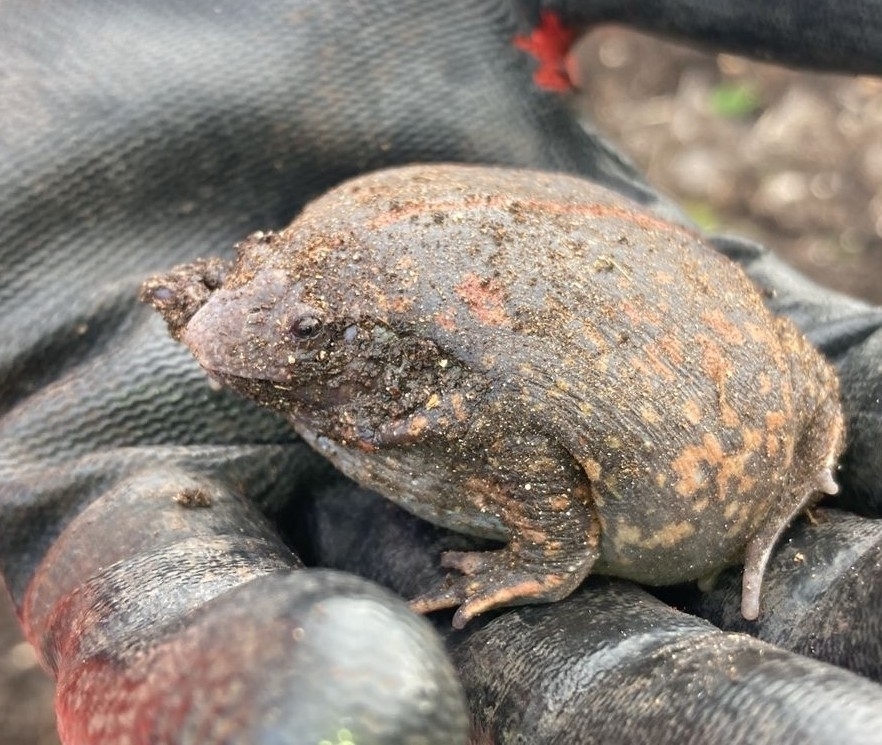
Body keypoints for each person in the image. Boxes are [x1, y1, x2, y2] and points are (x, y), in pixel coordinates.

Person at [2, 1, 881, 742]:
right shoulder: (328, 286)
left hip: (710, 392)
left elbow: (539, 465)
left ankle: (796, 471)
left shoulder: (458, 398)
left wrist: (539, 560)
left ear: (375, 350)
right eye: (245, 267)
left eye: (309, 331)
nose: (227, 306)